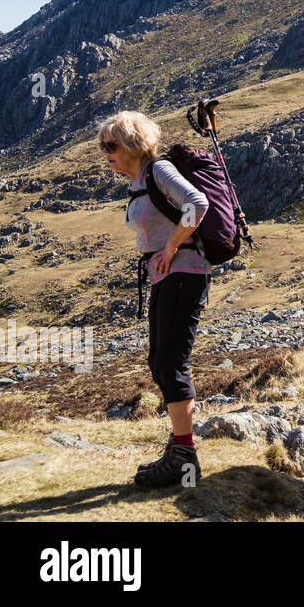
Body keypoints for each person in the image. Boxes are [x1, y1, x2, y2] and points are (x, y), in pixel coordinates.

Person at [101, 110, 211, 488]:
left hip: (186, 272)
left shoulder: (158, 171)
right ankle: (179, 451)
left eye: (111, 145)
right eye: (102, 146)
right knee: (159, 360)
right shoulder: (138, 182)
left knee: (171, 360)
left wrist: (170, 246)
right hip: (167, 277)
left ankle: (184, 461)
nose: (106, 152)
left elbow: (197, 204)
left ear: (132, 142)